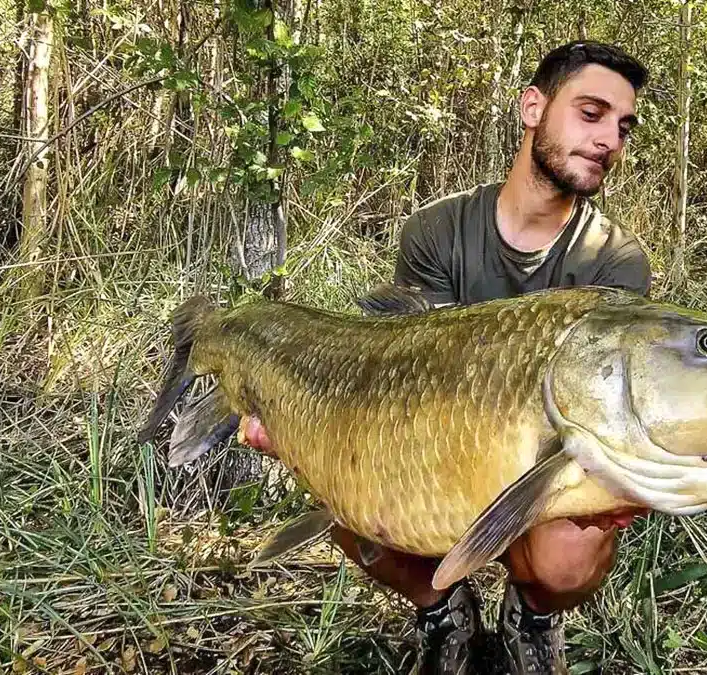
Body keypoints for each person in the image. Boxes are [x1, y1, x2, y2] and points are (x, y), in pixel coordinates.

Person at [244, 40, 653, 675]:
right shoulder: (436, 231)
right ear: (533, 107)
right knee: (346, 498)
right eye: (591, 113)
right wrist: (302, 430)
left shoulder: (615, 260)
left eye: (622, 127)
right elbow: (401, 364)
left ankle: (533, 618)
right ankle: (442, 609)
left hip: (541, 463)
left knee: (566, 557)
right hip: (438, 448)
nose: (608, 141)